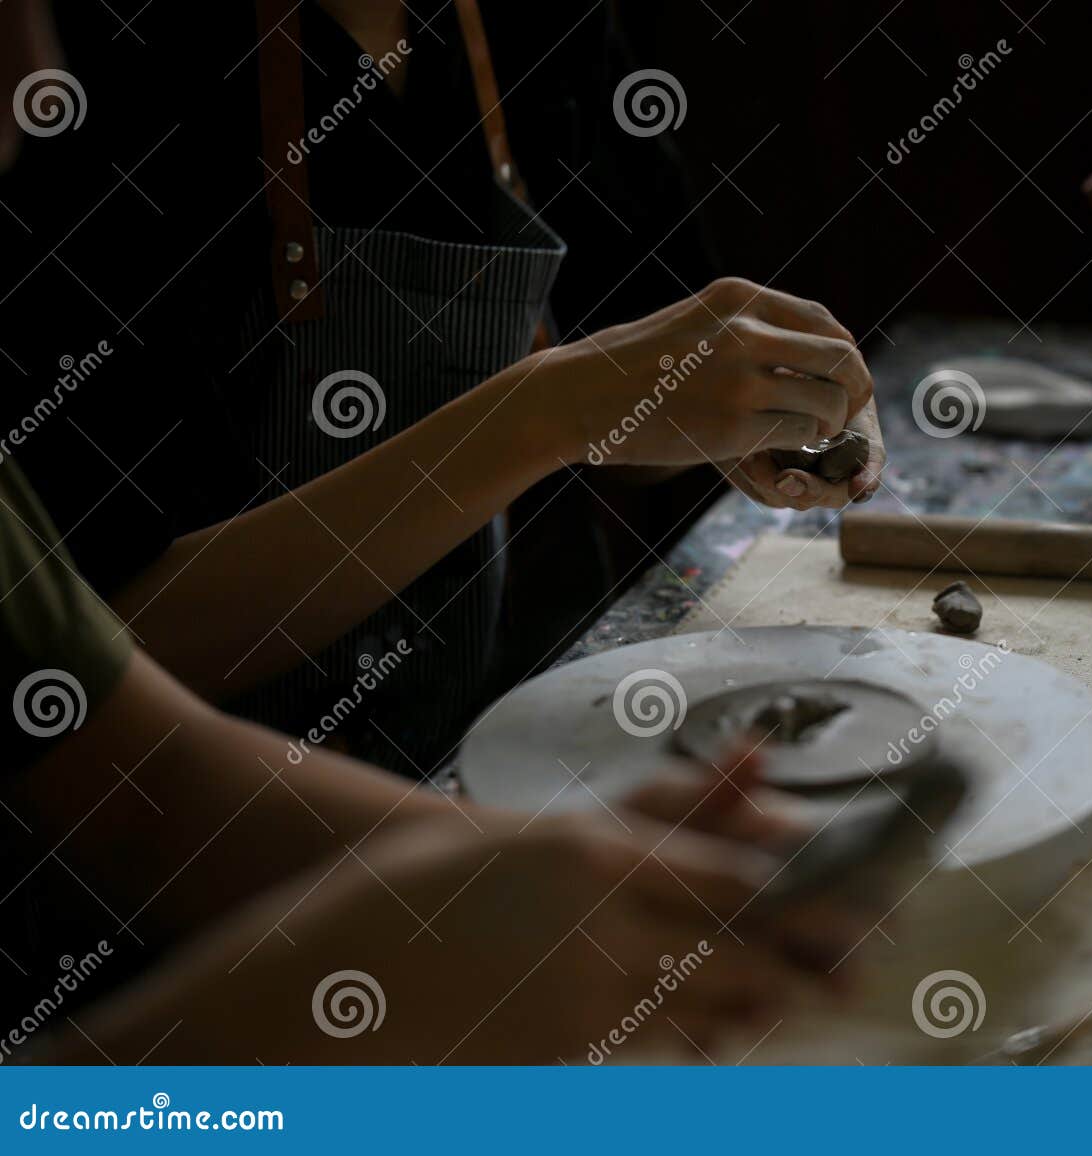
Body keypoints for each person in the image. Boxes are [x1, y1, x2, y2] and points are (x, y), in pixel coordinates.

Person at [0, 0, 873, 1063]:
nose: (25, 75)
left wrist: (747, 405)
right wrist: (542, 413)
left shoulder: (541, 33)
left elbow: (146, 771)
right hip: (121, 940)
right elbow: (110, 659)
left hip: (417, 767)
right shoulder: (118, 70)